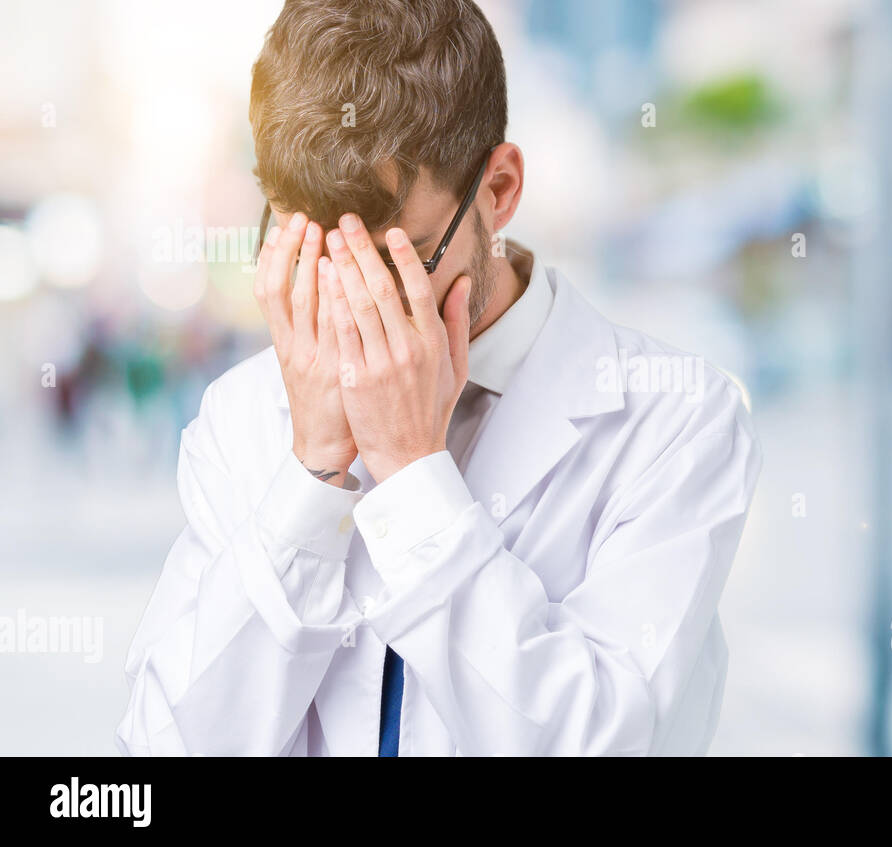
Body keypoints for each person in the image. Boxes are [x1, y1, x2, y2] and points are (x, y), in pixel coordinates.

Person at [115, 0, 761, 756]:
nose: (357, 301)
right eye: (312, 256)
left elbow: (597, 739)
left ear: (500, 190)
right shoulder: (242, 414)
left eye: (398, 258)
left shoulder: (676, 421)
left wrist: (414, 474)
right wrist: (311, 476)